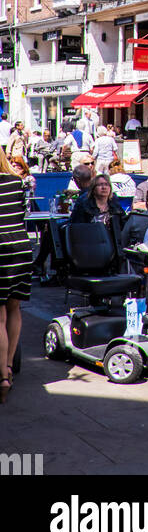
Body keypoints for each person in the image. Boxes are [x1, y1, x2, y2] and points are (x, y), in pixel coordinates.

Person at [0, 147, 31, 403]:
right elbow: (21, 215)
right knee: (14, 308)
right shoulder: (16, 182)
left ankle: (2, 377)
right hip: (21, 247)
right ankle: (9, 365)